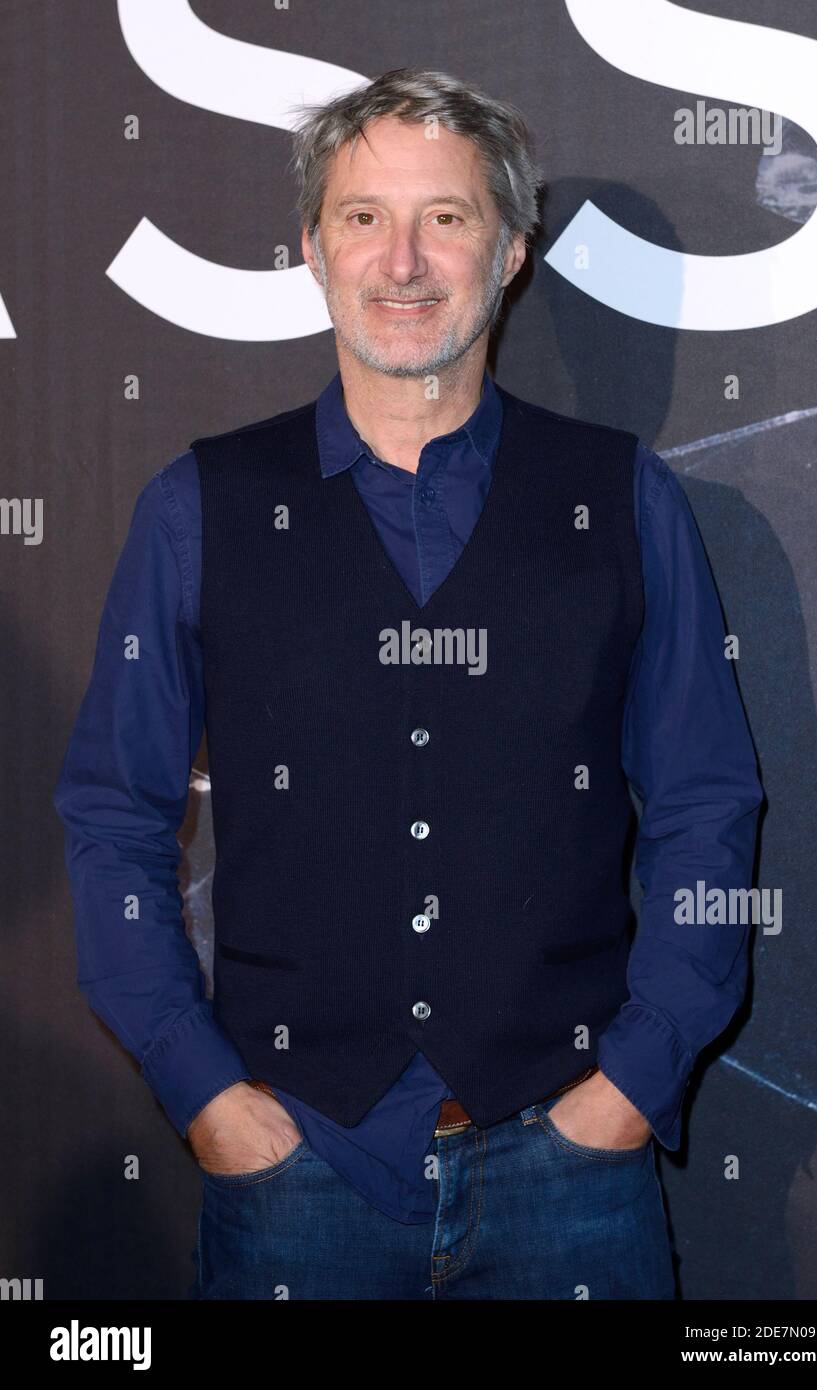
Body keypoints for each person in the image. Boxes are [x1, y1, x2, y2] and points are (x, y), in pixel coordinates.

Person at [53, 67, 763, 1300]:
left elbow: (707, 805)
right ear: (311, 251)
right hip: (295, 1176)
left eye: (445, 217)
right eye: (362, 218)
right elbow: (113, 820)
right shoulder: (197, 510)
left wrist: (636, 1081)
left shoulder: (625, 500)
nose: (402, 261)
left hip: (573, 1175)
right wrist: (206, 1094)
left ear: (511, 253)